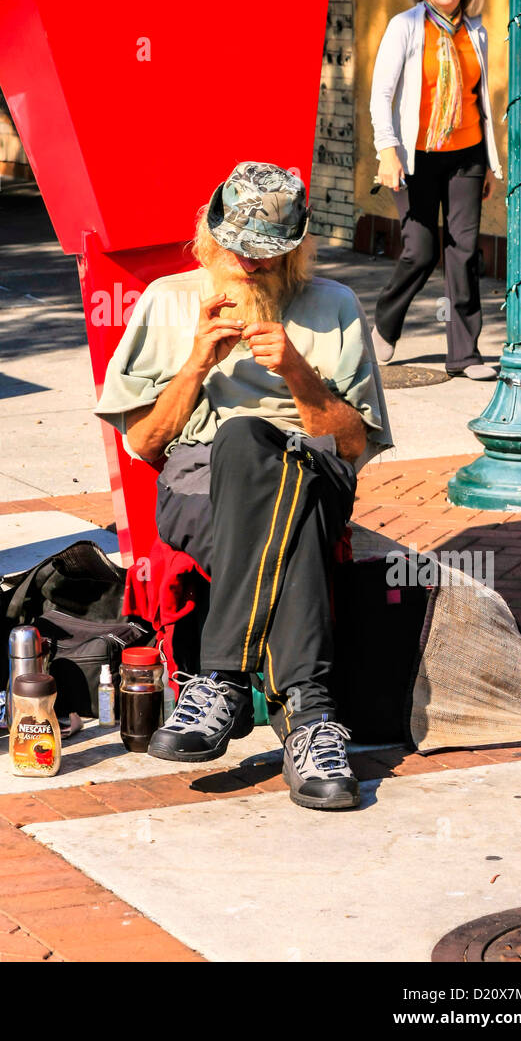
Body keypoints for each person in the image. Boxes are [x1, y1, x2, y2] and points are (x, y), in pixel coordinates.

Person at [95, 162, 393, 811]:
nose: (249, 265)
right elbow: (143, 445)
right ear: (209, 229)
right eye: (237, 247)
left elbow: (352, 446)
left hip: (315, 470)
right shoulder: (169, 301)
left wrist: (297, 373)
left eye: (267, 254)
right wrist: (198, 360)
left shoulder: (333, 306)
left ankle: (220, 680)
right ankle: (312, 722)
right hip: (201, 484)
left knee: (279, 461)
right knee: (242, 443)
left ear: (297, 246)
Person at [370, 0, 503, 379]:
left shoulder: (476, 31)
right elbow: (382, 96)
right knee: (420, 252)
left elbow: (479, 101)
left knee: (464, 252)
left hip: (466, 157)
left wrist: (488, 163)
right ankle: (386, 325)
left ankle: (465, 354)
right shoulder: (405, 26)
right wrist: (387, 152)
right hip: (416, 158)